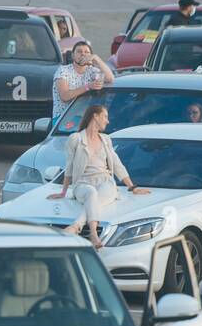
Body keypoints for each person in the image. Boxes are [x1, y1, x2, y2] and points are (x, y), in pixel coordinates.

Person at [53, 103, 150, 245]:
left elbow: (117, 164)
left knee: (95, 199)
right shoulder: (76, 139)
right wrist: (64, 192)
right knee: (92, 193)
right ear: (95, 116)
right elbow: (69, 167)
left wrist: (132, 187)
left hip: (106, 182)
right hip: (83, 183)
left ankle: (77, 227)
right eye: (105, 116)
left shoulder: (106, 139)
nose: (107, 121)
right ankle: (93, 234)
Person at [53, 40, 112, 117]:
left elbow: (110, 78)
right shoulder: (63, 70)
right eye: (79, 51)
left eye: (86, 52)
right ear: (73, 55)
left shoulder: (92, 70)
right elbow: (65, 96)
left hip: (84, 117)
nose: (83, 54)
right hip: (62, 118)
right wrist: (88, 86)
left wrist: (96, 58)